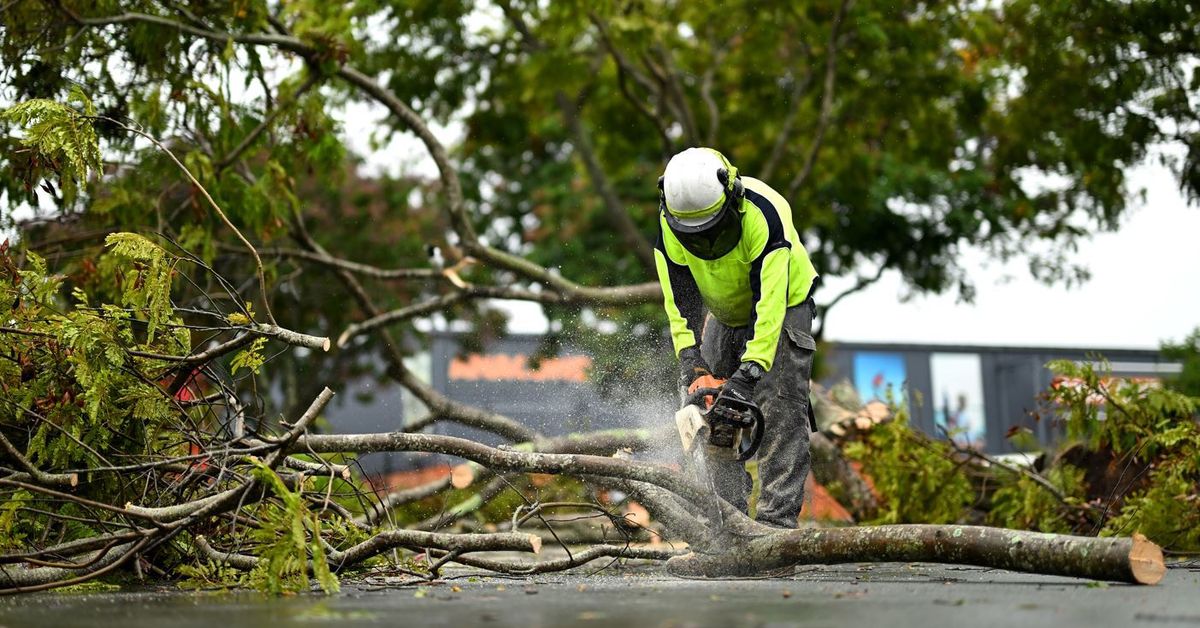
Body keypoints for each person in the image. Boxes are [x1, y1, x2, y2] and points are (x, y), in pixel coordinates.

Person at [654, 146, 820, 529]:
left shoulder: (765, 214)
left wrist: (749, 374)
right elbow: (679, 303)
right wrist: (691, 362)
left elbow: (771, 302)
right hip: (725, 313)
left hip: (783, 306)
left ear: (732, 199)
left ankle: (775, 531)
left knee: (780, 410)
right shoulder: (668, 222)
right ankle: (728, 526)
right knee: (712, 416)